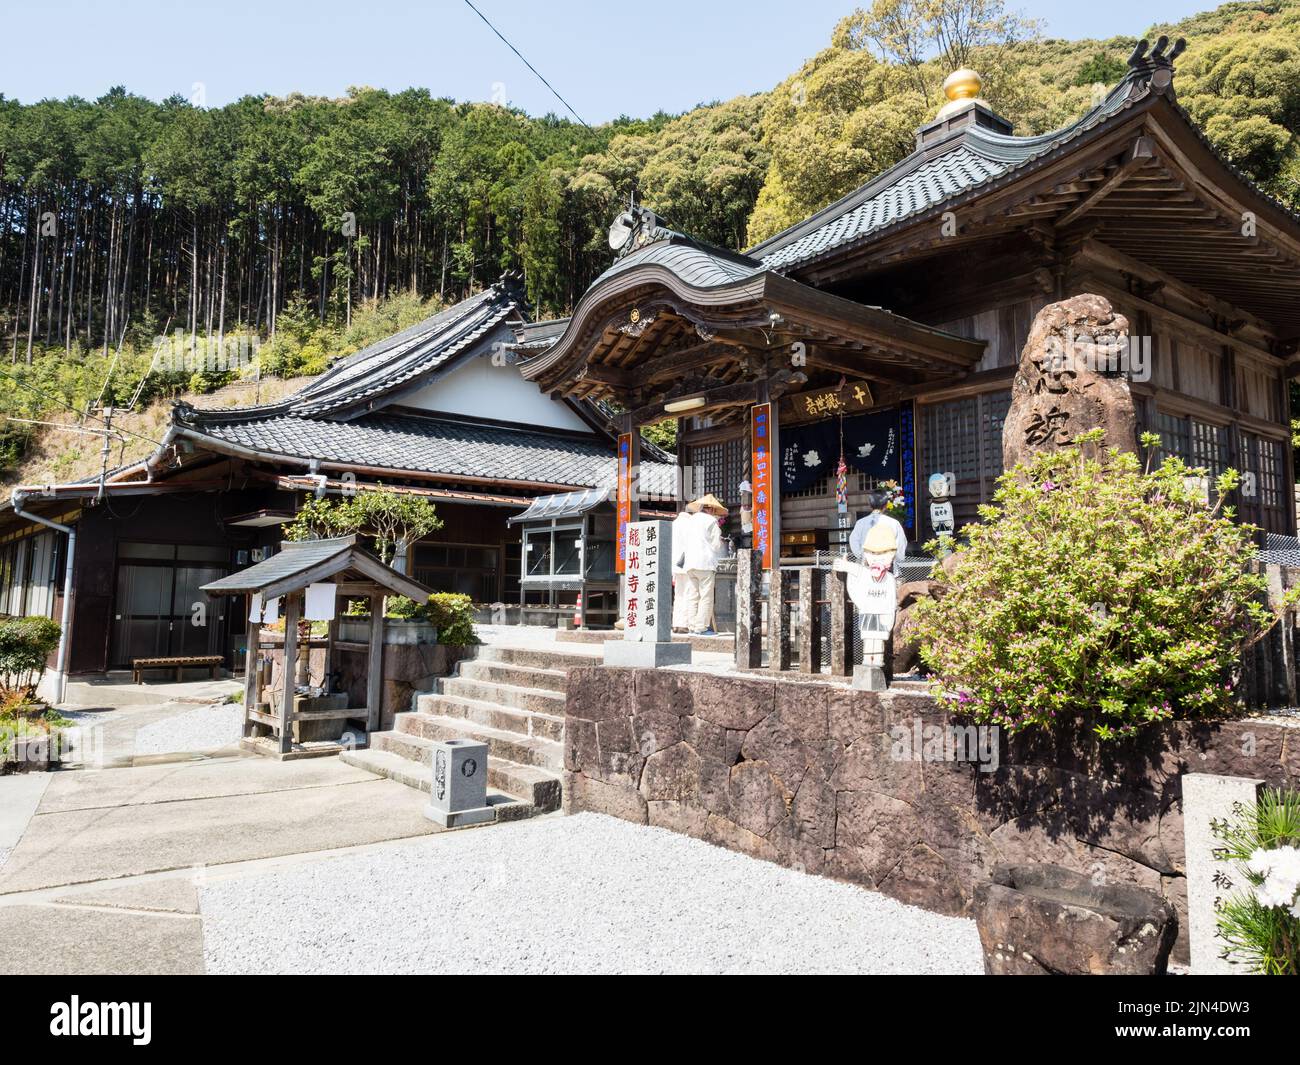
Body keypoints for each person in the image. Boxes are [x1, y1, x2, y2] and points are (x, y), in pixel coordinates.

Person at [674, 493, 726, 635]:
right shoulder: (711, 521)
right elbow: (716, 545)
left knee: (692, 595)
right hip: (705, 563)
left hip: (690, 564)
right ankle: (701, 627)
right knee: (706, 596)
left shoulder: (691, 520)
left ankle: (691, 626)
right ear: (711, 509)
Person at [848, 489, 908, 576]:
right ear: (886, 505)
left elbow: (853, 541)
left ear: (869, 504)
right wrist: (896, 558)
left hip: (867, 568)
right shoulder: (894, 523)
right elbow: (901, 544)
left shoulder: (860, 523)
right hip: (888, 568)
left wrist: (863, 556)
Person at [670, 508, 692, 632]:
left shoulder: (674, 524)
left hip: (675, 565)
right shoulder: (690, 524)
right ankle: (685, 623)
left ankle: (676, 623)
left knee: (678, 595)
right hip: (688, 563)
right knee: (688, 593)